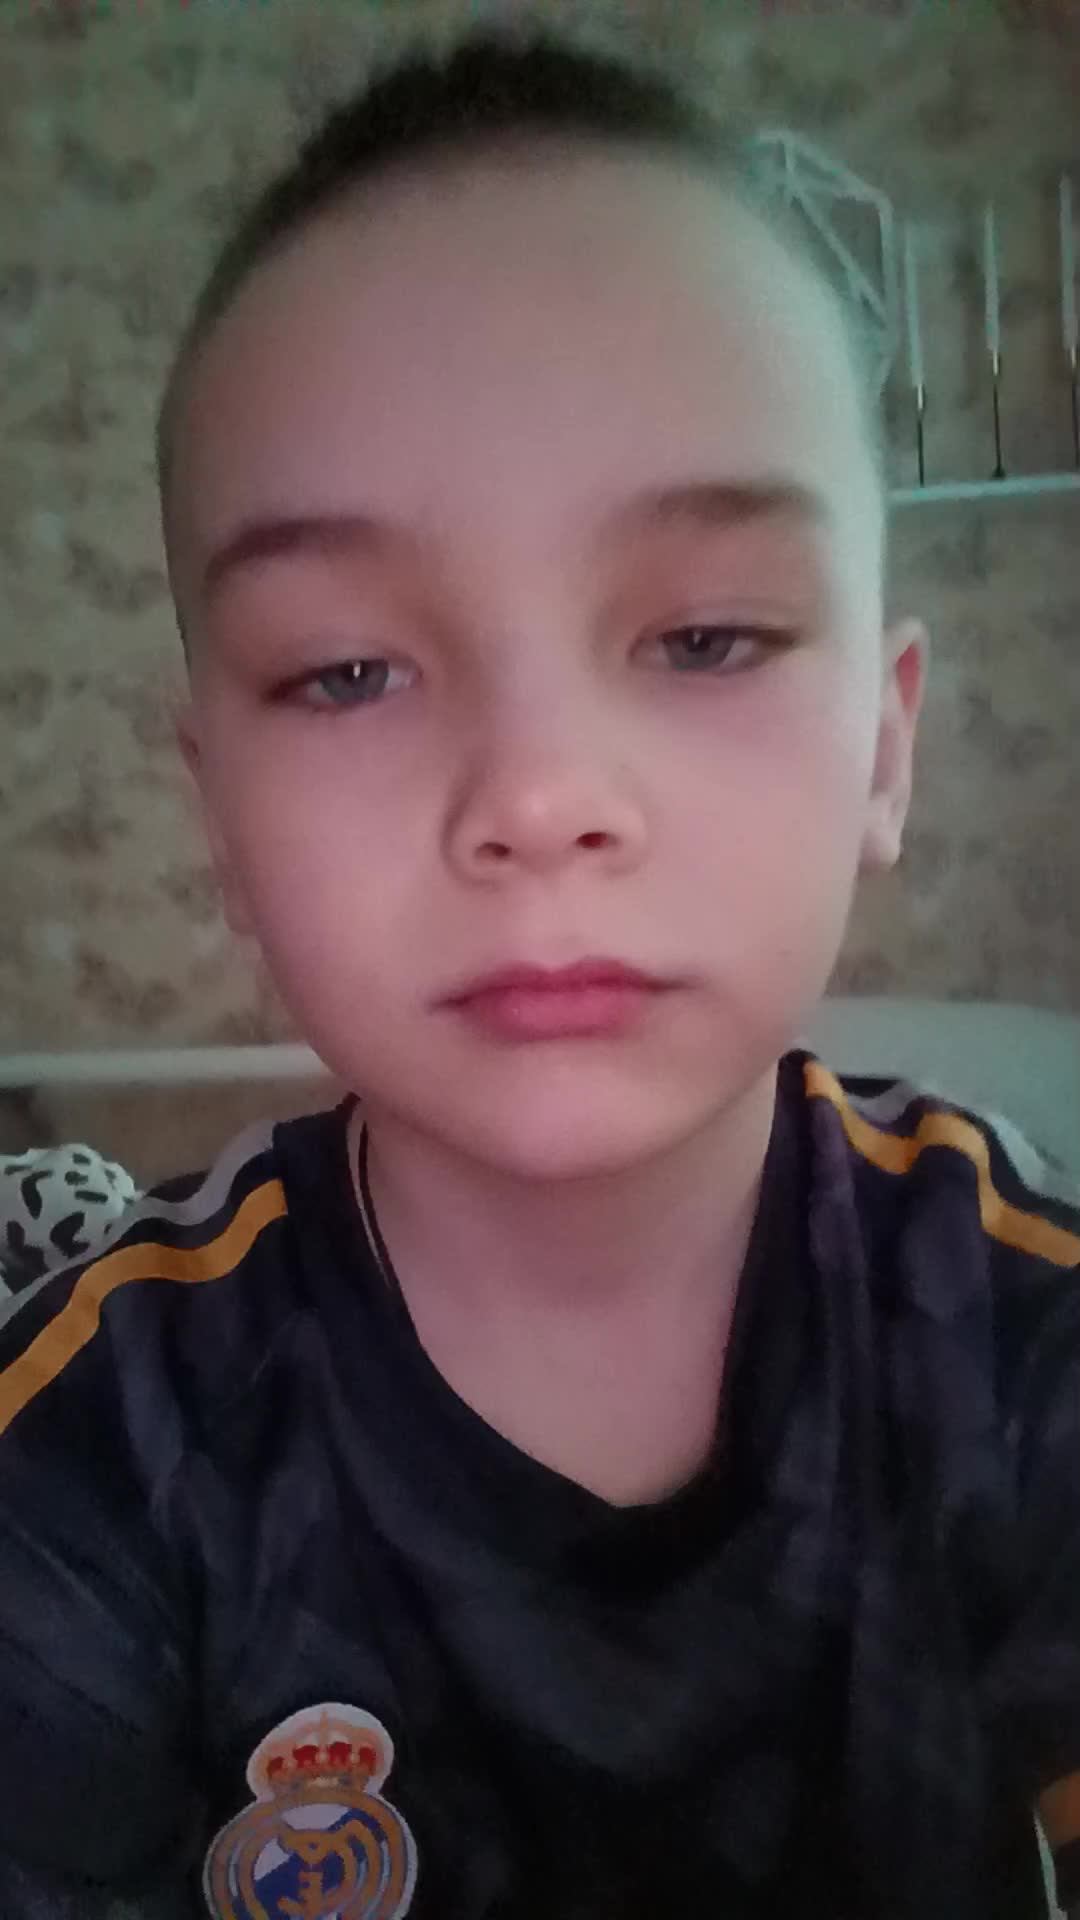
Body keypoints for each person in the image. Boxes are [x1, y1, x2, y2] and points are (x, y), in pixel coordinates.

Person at [0, 22, 1077, 1920]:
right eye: (347, 671)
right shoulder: (92, 1462)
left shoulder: (1028, 1350)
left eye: (707, 639)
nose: (536, 797)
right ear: (220, 812)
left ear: (886, 747)